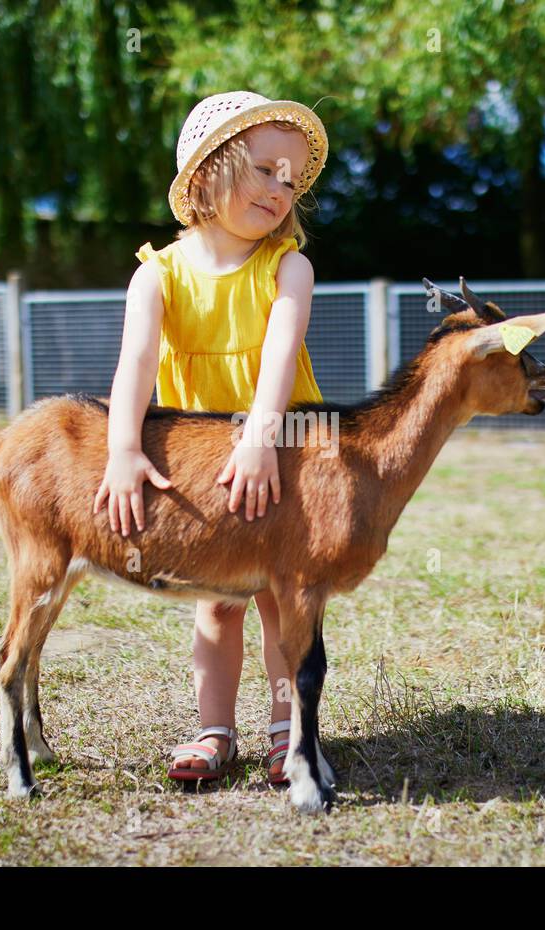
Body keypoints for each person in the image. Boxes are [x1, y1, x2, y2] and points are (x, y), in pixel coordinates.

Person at [93, 91, 329, 786]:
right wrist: (123, 448)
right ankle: (213, 729)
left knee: (285, 599)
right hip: (205, 463)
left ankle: (291, 731)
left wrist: (258, 439)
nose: (281, 190)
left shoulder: (287, 268)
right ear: (205, 174)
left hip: (283, 450)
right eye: (265, 169)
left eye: (292, 181)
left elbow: (280, 361)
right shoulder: (156, 276)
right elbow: (134, 364)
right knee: (217, 601)